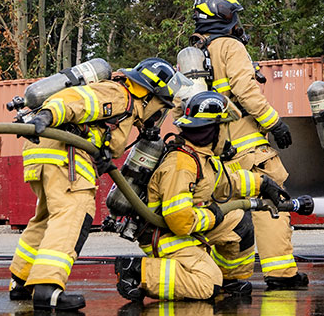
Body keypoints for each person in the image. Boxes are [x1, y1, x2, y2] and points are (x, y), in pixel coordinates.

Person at [9, 57, 178, 310]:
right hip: (65, 154)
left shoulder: (124, 106)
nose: (159, 113)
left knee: (46, 219)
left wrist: (103, 154)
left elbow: (97, 129)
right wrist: (47, 115)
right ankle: (48, 288)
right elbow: (77, 101)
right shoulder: (120, 94)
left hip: (45, 154)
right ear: (149, 95)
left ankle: (21, 282)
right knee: (73, 214)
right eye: (161, 105)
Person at [183, 0, 306, 290]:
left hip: (216, 150)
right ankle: (281, 273)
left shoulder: (196, 54)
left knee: (229, 210)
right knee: (270, 201)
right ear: (223, 16)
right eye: (233, 15)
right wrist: (275, 123)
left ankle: (229, 275)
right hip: (247, 146)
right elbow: (246, 92)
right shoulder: (229, 46)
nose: (237, 21)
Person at [114, 91, 289, 301]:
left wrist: (262, 183)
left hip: (187, 227)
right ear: (214, 129)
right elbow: (179, 221)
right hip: (166, 237)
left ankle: (228, 279)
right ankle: (138, 271)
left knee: (240, 223)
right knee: (206, 284)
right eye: (226, 128)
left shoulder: (201, 156)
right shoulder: (181, 164)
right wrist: (213, 215)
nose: (228, 136)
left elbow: (225, 184)